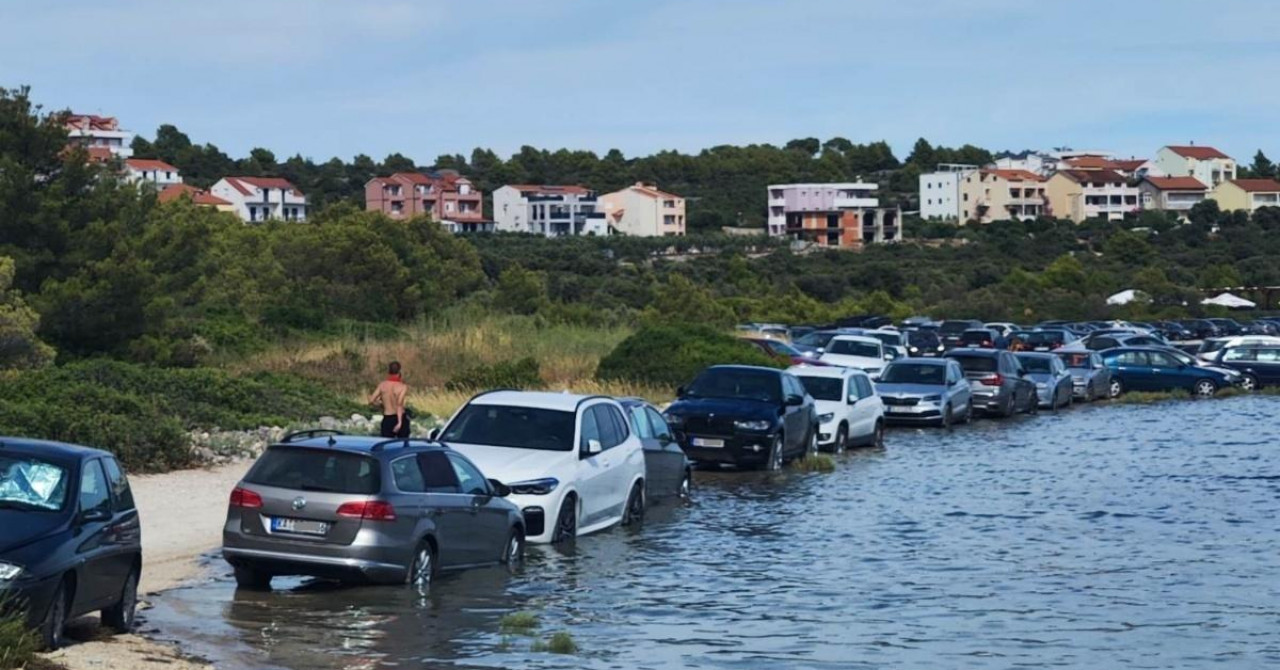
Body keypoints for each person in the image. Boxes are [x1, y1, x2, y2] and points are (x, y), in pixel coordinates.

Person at [370, 362, 410, 438]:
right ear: (399, 372)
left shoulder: (382, 385)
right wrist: (399, 422)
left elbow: (371, 400)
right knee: (404, 444)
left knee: (386, 444)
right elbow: (399, 404)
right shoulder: (402, 387)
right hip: (400, 417)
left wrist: (381, 406)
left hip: (387, 417)